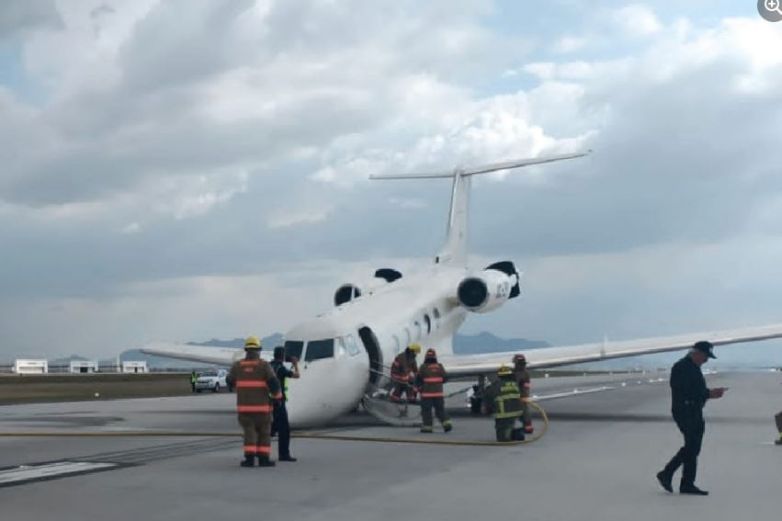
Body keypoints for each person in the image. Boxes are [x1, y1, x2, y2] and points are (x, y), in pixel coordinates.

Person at [656, 341, 727, 495]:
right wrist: (709, 394)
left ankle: (683, 481)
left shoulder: (692, 367)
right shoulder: (682, 367)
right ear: (696, 353)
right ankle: (670, 475)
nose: (706, 360)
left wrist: (708, 394)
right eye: (705, 356)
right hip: (685, 411)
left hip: (693, 410)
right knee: (692, 446)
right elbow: (686, 391)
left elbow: (695, 390)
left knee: (693, 447)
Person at [226, 336, 282, 468]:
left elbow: (229, 380)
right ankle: (264, 459)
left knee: (249, 433)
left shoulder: (237, 366)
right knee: (264, 434)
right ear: (259, 350)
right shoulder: (264, 366)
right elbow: (274, 383)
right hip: (262, 409)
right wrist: (277, 398)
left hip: (244, 409)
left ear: (246, 350)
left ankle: (249, 460)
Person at [270, 345, 300, 462]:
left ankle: (260, 450)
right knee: (284, 430)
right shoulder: (281, 368)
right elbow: (297, 375)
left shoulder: (269, 366)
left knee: (272, 427)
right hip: (279, 402)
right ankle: (284, 454)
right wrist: (295, 363)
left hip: (268, 401)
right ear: (282, 356)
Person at [415, 348, 452, 433]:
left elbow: (418, 379)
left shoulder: (423, 367)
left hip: (426, 395)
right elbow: (445, 378)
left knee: (426, 411)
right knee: (440, 410)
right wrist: (438, 384)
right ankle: (446, 423)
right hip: (438, 394)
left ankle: (427, 427)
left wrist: (418, 388)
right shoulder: (439, 366)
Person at [484, 365, 525, 442]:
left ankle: (513, 435)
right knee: (510, 425)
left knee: (501, 437)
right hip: (516, 411)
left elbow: (488, 396)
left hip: (503, 413)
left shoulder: (496, 385)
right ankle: (516, 434)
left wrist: (488, 409)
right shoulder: (515, 384)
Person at [389, 343, 421, 413]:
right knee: (403, 385)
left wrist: (418, 376)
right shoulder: (401, 357)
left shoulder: (412, 358)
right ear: (412, 351)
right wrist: (405, 378)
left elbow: (415, 369)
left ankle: (411, 397)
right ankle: (395, 398)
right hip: (397, 376)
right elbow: (399, 370)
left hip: (404, 377)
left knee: (410, 383)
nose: (416, 354)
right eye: (416, 352)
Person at [512, 354, 534, 434]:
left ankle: (527, 426)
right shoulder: (516, 373)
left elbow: (526, 385)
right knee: (521, 411)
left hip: (521, 396)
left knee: (524, 411)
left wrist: (524, 395)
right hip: (517, 396)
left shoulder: (524, 373)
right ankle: (526, 426)